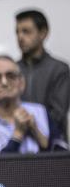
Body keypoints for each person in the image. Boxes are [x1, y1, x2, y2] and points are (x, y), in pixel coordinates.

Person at [0, 55, 67, 155]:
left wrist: (37, 132)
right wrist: (17, 134)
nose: (4, 82)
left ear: (22, 83)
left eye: (11, 76)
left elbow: (64, 160)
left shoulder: (41, 112)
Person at [16, 9, 69, 139]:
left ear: (43, 33)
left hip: (51, 148)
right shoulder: (13, 70)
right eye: (17, 32)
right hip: (20, 146)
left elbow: (57, 115)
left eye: (26, 31)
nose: (20, 37)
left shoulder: (59, 69)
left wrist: (30, 123)